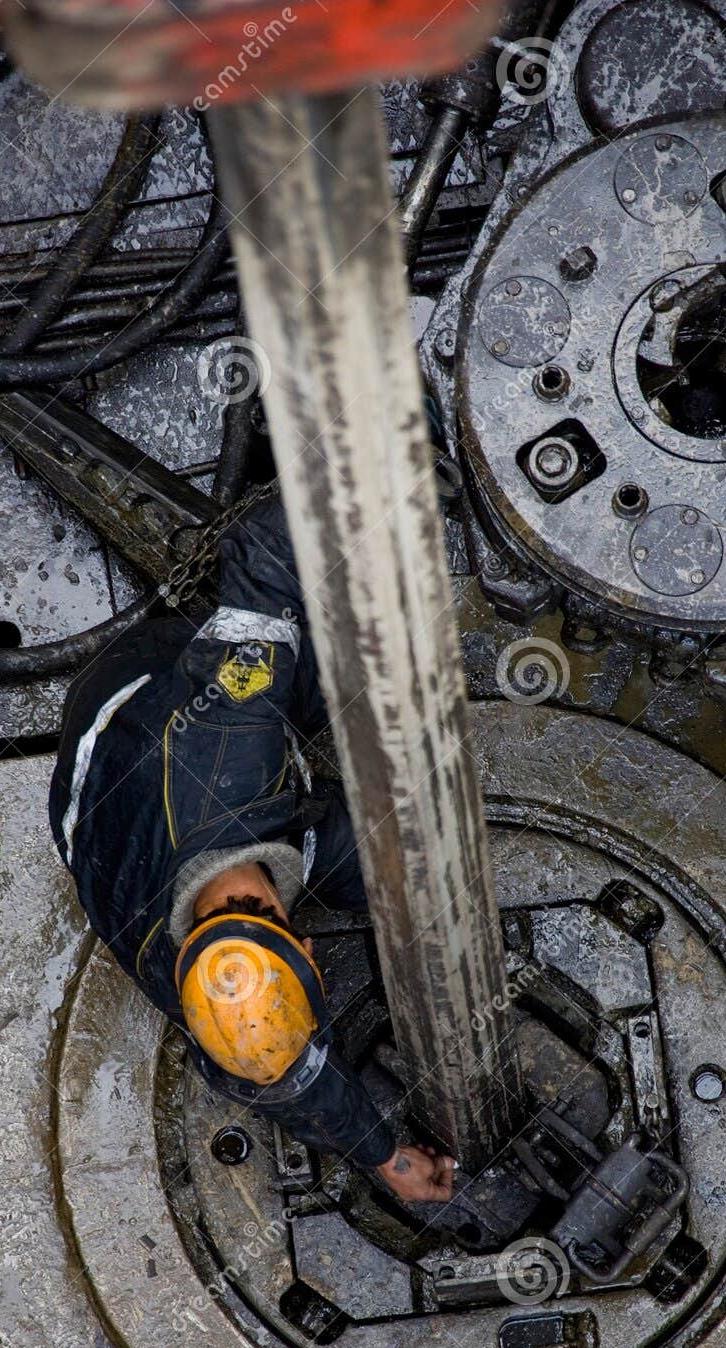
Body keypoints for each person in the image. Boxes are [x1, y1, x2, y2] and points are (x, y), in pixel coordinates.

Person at [49, 494, 455, 1204]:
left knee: (362, 659)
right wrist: (382, 1156)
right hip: (112, 818)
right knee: (410, 865)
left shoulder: (231, 741)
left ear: (296, 937)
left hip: (134, 688)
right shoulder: (207, 994)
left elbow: (266, 552)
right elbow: (281, 1079)